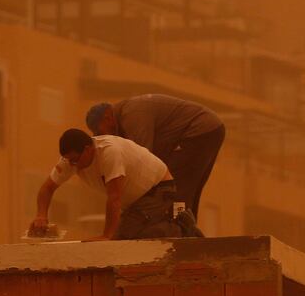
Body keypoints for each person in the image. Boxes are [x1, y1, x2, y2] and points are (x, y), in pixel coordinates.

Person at [86, 94, 224, 223]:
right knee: (187, 188)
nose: (103, 136)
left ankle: (179, 228)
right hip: (209, 128)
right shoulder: (126, 117)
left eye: (99, 132)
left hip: (198, 130)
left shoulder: (132, 116)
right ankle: (186, 228)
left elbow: (143, 159)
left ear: (107, 118)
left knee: (177, 186)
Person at [28, 128, 182, 241]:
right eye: (69, 161)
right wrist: (41, 216)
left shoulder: (109, 152)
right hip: (135, 201)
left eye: (75, 160)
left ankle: (180, 228)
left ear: (88, 150)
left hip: (159, 189)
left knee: (123, 237)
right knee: (130, 233)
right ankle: (171, 226)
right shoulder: (70, 161)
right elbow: (47, 188)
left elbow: (114, 197)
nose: (73, 165)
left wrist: (106, 236)